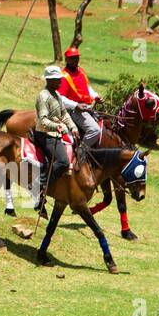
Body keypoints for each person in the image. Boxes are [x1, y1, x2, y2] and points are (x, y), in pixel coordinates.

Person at [33, 65, 78, 211]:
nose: (60, 81)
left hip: (57, 132)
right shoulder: (43, 96)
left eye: (60, 79)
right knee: (63, 162)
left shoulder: (57, 95)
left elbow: (64, 114)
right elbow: (44, 120)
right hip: (45, 134)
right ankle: (41, 187)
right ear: (49, 80)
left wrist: (73, 127)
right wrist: (57, 127)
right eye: (57, 79)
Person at [56, 46, 102, 146]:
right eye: (72, 58)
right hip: (74, 110)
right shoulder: (64, 76)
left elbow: (87, 87)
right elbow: (60, 98)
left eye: (77, 57)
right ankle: (81, 152)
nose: (75, 60)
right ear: (67, 59)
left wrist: (95, 96)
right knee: (95, 130)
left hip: (87, 107)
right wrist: (76, 105)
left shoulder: (80, 71)